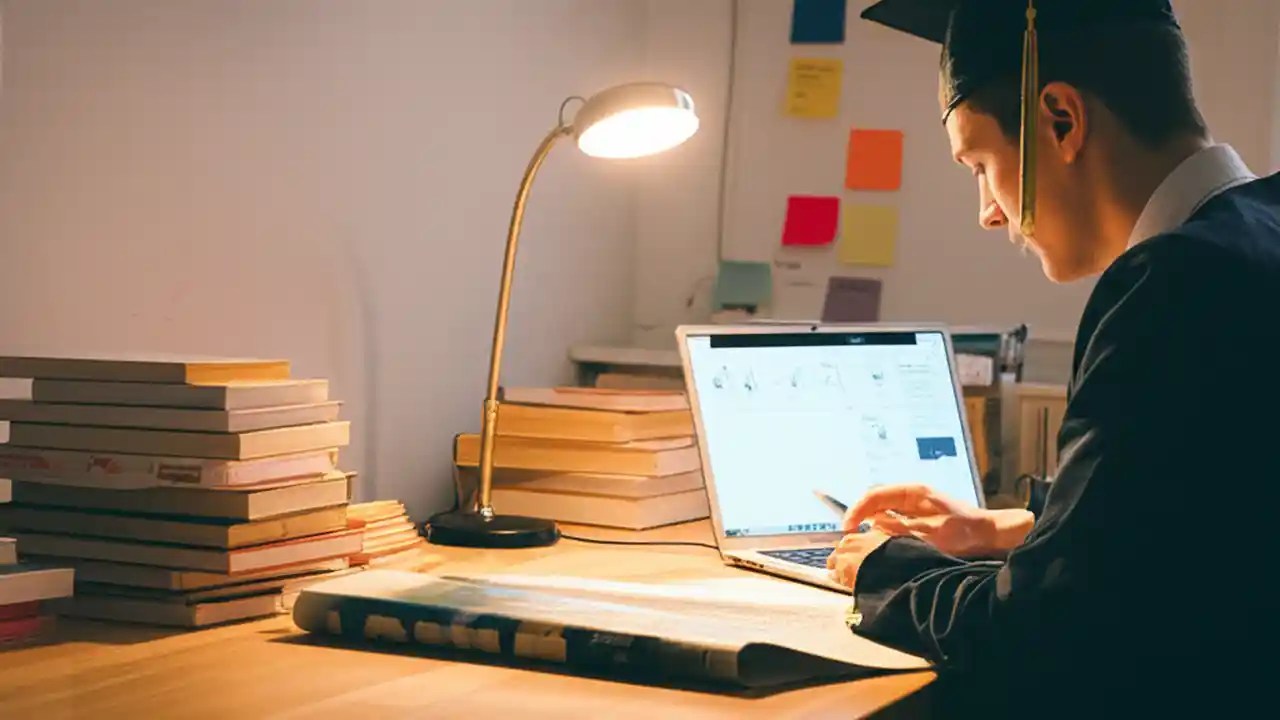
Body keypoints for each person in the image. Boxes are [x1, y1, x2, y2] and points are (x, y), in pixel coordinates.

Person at [825, 0, 1280, 715]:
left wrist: (885, 571)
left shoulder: (1177, 284)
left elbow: (1048, 630)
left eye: (980, 163)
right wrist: (1006, 529)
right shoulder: (1260, 235)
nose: (989, 212)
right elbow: (1194, 525)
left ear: (1060, 121)